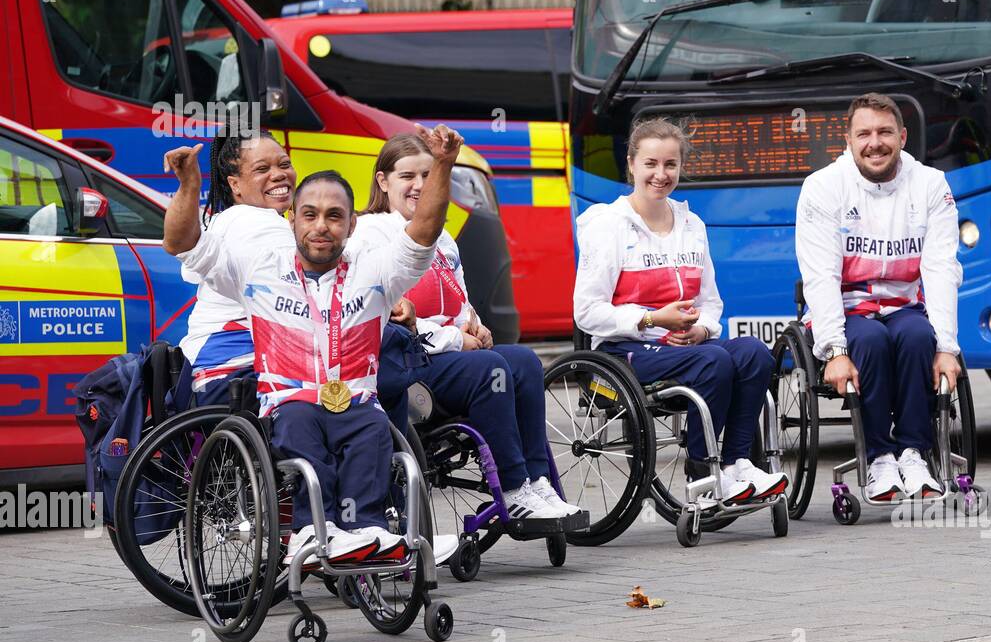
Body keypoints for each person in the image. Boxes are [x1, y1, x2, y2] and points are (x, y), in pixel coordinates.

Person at [163, 124, 464, 566]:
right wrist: (189, 183)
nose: (321, 227)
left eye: (334, 216)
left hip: (356, 403)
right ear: (292, 220)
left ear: (352, 224)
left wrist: (443, 165)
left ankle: (366, 530)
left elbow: (423, 230)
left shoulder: (376, 270)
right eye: (310, 215)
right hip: (291, 403)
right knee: (302, 421)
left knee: (373, 427)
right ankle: (310, 531)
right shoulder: (258, 268)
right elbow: (181, 242)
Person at [355, 133, 583, 521]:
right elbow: (387, 315)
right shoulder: (369, 233)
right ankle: (513, 489)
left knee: (524, 362)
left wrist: (473, 324)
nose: (419, 185)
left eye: (428, 174)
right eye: (407, 176)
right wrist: (452, 338)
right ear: (383, 182)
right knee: (488, 369)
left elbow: (456, 296)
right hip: (412, 360)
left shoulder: (442, 235)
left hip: (453, 354)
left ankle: (537, 481)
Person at [573, 117, 786, 505]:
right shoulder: (609, 227)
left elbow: (711, 303)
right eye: (651, 164)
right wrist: (654, 319)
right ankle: (704, 470)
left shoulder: (693, 225)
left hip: (686, 347)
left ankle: (738, 463)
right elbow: (586, 311)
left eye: (670, 164)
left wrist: (702, 329)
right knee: (714, 363)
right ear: (632, 163)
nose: (661, 174)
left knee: (754, 353)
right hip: (624, 351)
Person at [795, 93, 962, 505]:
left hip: (903, 304)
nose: (876, 142)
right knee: (868, 341)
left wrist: (947, 349)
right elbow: (821, 276)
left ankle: (913, 452)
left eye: (885, 132)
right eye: (864, 133)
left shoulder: (930, 185)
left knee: (917, 338)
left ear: (902, 137)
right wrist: (834, 351)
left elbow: (941, 268)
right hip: (848, 308)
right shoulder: (822, 187)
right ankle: (879, 458)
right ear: (848, 140)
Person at [163, 130, 296, 407]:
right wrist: (189, 184)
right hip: (230, 371)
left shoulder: (235, 219)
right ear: (235, 184)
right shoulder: (254, 221)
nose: (279, 174)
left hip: (208, 370)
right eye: (262, 169)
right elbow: (179, 243)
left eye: (284, 164)